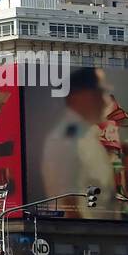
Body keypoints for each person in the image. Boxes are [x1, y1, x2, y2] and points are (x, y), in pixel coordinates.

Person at [41, 66, 119, 216]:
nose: (108, 100)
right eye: (102, 91)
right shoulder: (68, 140)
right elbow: (68, 203)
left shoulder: (88, 135)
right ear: (79, 96)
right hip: (86, 236)